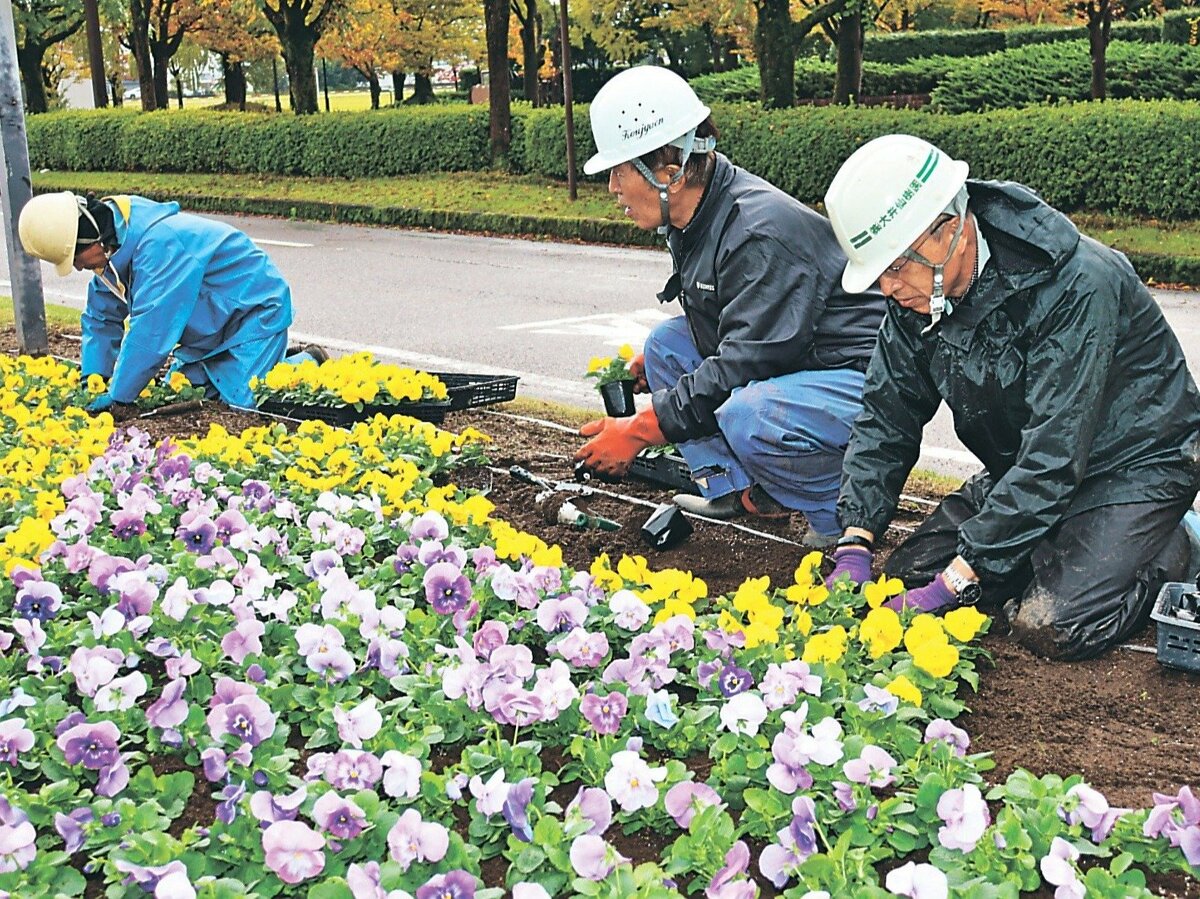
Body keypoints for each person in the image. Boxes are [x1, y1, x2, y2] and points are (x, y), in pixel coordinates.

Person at [822, 133, 1200, 659]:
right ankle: (1050, 545)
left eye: (893, 267)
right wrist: (855, 538)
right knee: (904, 578)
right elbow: (888, 415)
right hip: (1024, 465)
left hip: (1134, 465)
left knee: (1052, 625)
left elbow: (1055, 454)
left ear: (947, 230)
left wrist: (959, 578)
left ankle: (1176, 542)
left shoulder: (1077, 286)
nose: (886, 288)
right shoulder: (919, 295)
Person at [572, 66, 886, 546]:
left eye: (619, 170)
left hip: (863, 378)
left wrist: (638, 430)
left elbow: (745, 363)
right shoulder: (696, 211)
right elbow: (732, 323)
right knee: (663, 346)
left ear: (669, 173)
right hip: (799, 355)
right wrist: (656, 374)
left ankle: (838, 518)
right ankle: (737, 487)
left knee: (749, 413)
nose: (613, 188)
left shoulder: (756, 229)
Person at [18, 191, 323, 413]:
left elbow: (151, 330)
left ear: (91, 239)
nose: (77, 267)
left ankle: (307, 360)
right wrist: (95, 376)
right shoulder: (114, 242)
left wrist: (119, 396)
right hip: (208, 330)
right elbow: (102, 317)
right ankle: (264, 361)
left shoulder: (159, 245)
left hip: (250, 313)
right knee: (181, 392)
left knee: (244, 402)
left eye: (74, 258)